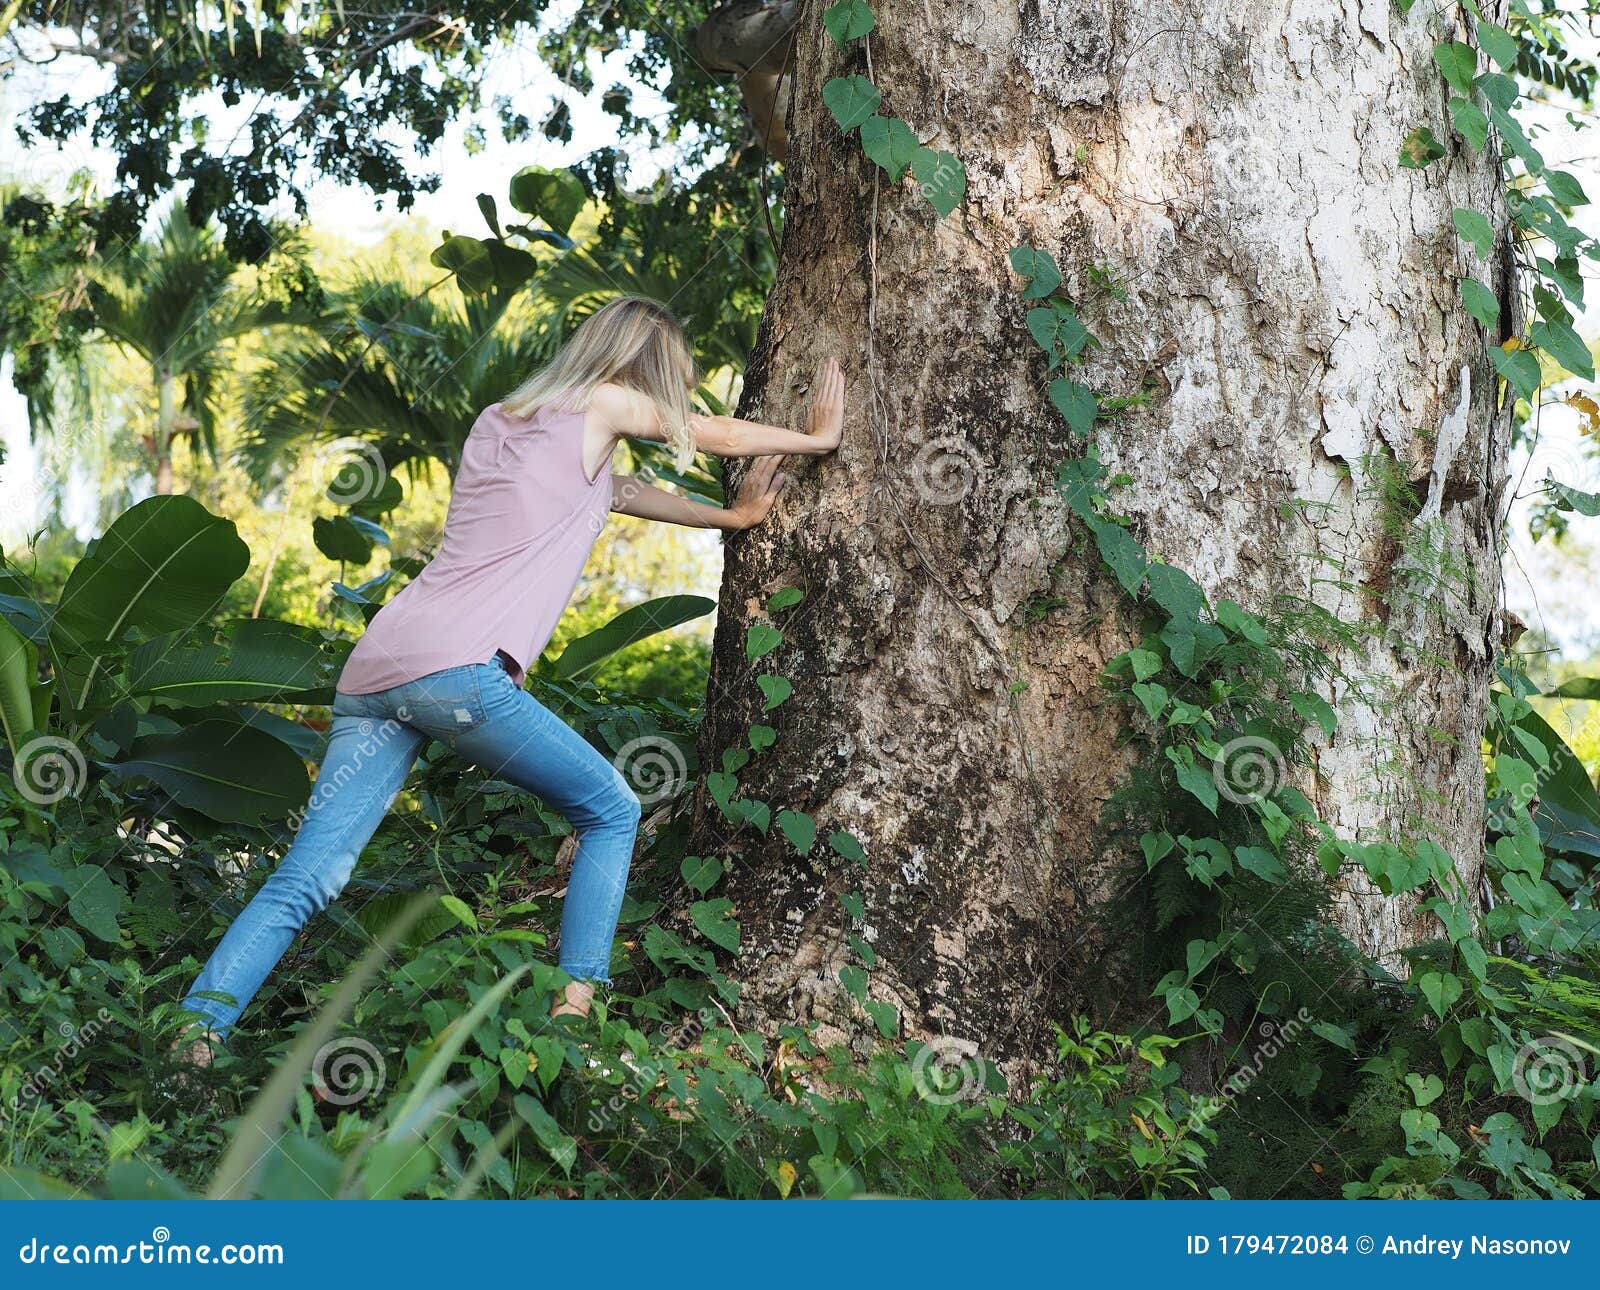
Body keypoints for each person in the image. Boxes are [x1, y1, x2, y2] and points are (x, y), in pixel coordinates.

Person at [177, 296, 846, 1063]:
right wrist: (816, 438)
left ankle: (196, 1034)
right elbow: (717, 435)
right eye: (671, 381)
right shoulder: (602, 402)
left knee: (308, 876)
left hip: (379, 668)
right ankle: (573, 1022)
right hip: (457, 671)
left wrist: (731, 521)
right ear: (643, 369)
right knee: (611, 810)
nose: (671, 400)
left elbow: (626, 494)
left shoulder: (505, 421)